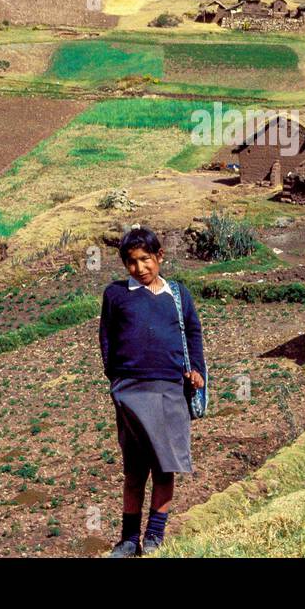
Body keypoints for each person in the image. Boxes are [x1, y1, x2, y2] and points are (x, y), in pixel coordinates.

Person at [98, 226, 205, 557]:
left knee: (165, 465)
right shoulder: (116, 295)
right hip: (130, 390)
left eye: (146, 260)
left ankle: (154, 536)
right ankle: (129, 538)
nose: (139, 268)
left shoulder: (178, 294)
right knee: (134, 470)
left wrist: (197, 370)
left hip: (170, 388)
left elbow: (193, 334)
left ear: (160, 257)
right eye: (131, 262)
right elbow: (106, 337)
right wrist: (115, 378)